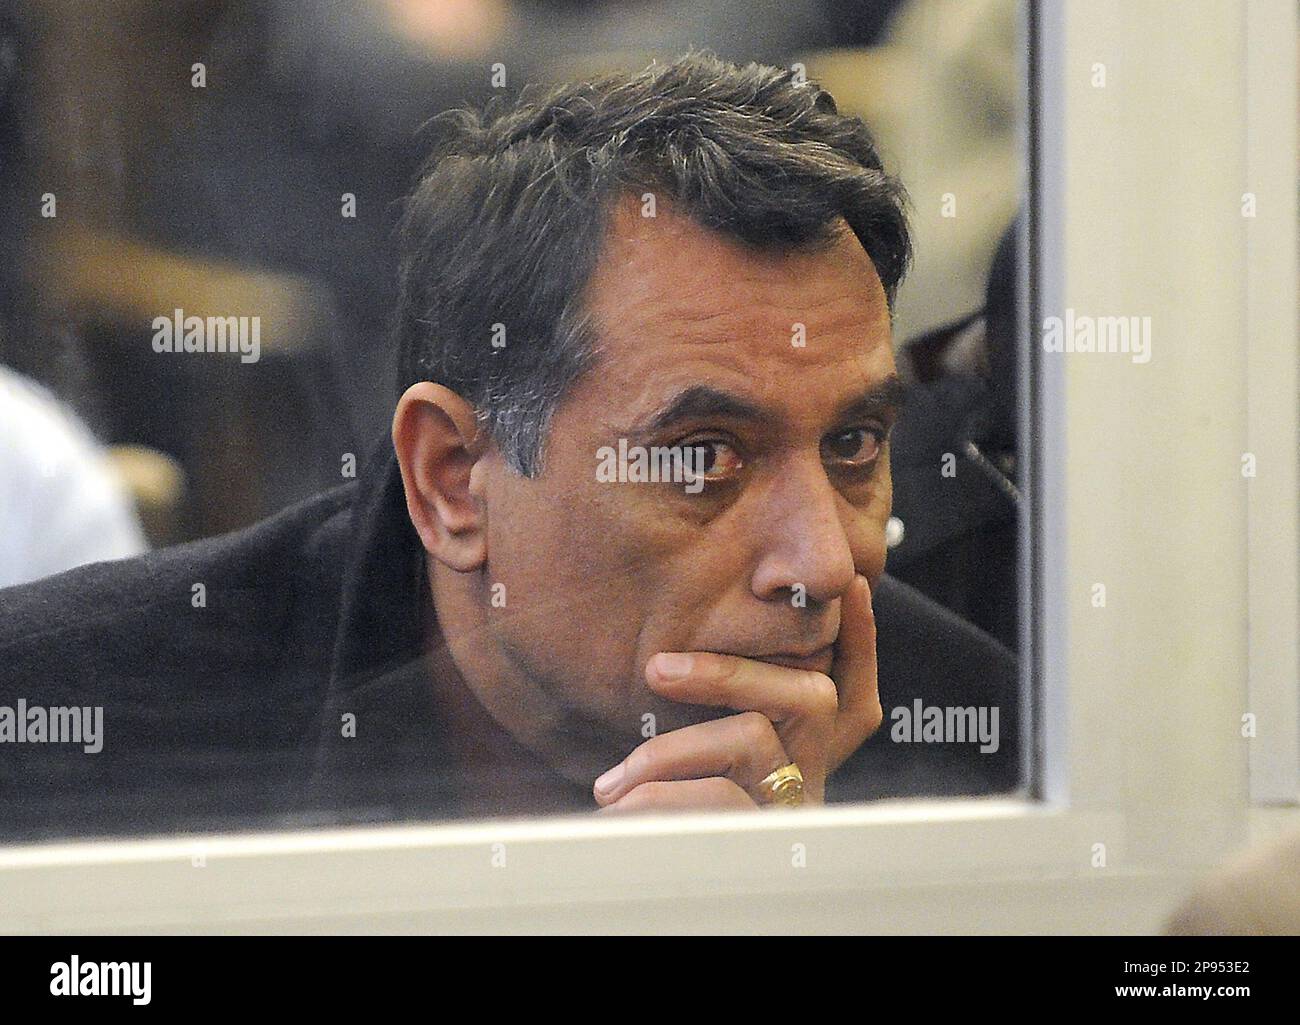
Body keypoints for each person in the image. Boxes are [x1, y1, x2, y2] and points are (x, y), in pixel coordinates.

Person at [0, 53, 1017, 840]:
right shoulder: (72, 737)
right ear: (451, 480)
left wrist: (795, 883)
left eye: (851, 442)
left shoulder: (993, 751)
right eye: (702, 456)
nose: (827, 561)